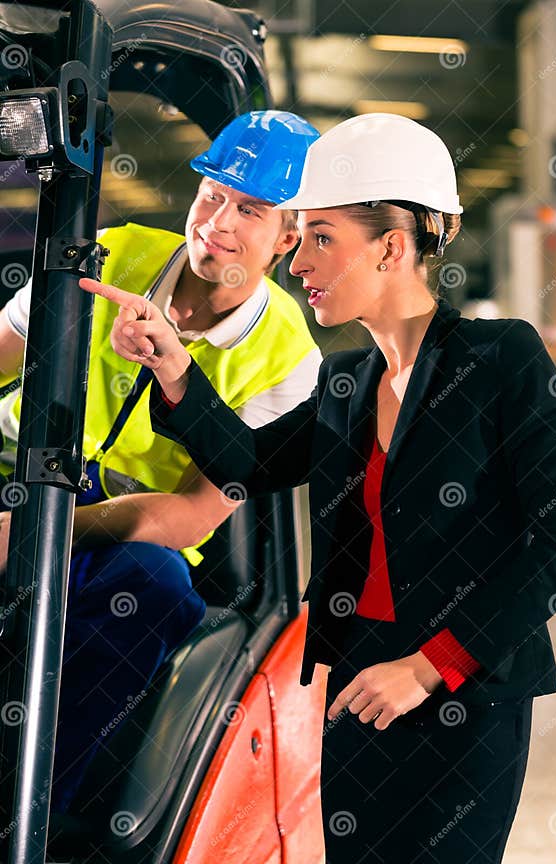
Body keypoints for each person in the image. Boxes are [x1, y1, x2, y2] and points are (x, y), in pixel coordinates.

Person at [80, 112, 556, 863]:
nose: (297, 261)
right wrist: (173, 366)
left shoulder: (498, 358)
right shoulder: (347, 382)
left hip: (459, 694)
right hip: (353, 688)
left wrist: (428, 666)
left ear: (391, 245)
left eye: (319, 238)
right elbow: (247, 465)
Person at [0, 109, 322, 812]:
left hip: (116, 534)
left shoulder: (291, 361)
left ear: (289, 236)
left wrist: (35, 533)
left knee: (155, 594)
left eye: (251, 210)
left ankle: (30, 816)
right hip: (10, 476)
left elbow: (189, 514)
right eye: (212, 195)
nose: (218, 223)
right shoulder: (113, 251)